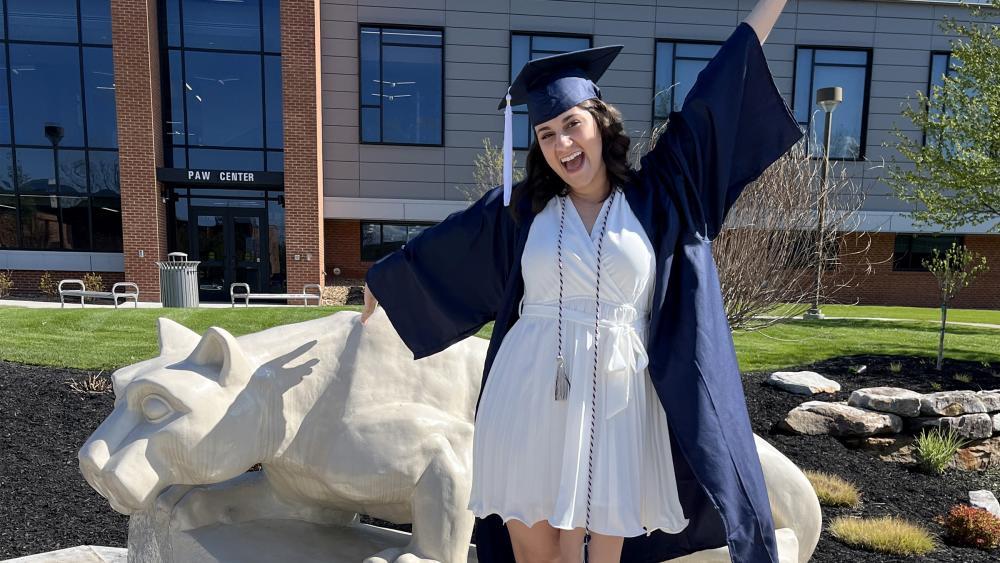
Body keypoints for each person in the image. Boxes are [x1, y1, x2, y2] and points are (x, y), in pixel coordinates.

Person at [362, 1, 802, 561]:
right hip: (526, 397)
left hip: (618, 406)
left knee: (593, 556)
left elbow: (715, 93)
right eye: (546, 134)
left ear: (600, 121)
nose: (563, 145)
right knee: (536, 554)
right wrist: (386, 276)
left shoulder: (661, 194)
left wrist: (769, 8)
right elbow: (452, 243)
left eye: (572, 125)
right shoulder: (524, 210)